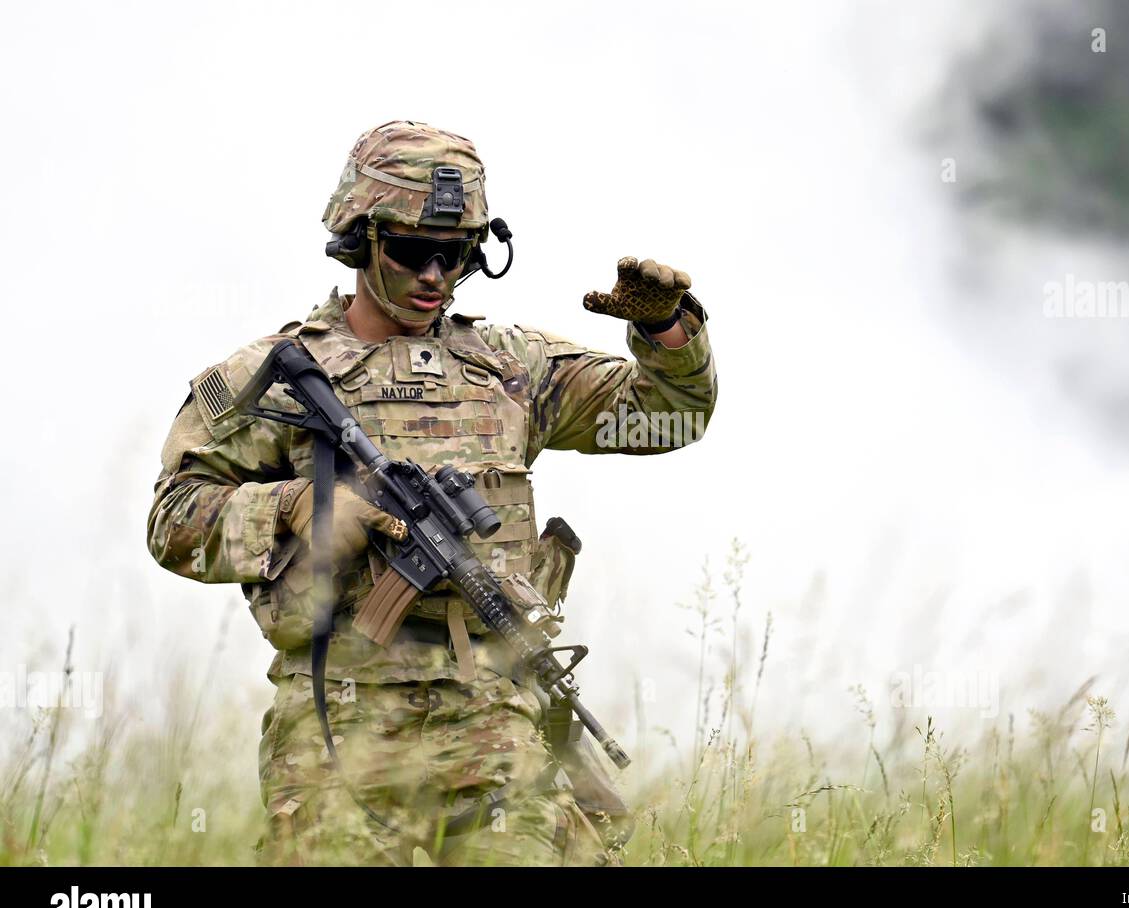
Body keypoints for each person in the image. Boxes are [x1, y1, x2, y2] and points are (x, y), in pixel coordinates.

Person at [145, 120, 717, 865]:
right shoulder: (276, 375)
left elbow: (669, 417)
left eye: (457, 256)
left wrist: (667, 331)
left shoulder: (513, 367)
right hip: (337, 730)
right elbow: (171, 519)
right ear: (360, 238)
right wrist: (298, 507)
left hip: (494, 720)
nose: (434, 276)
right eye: (413, 251)